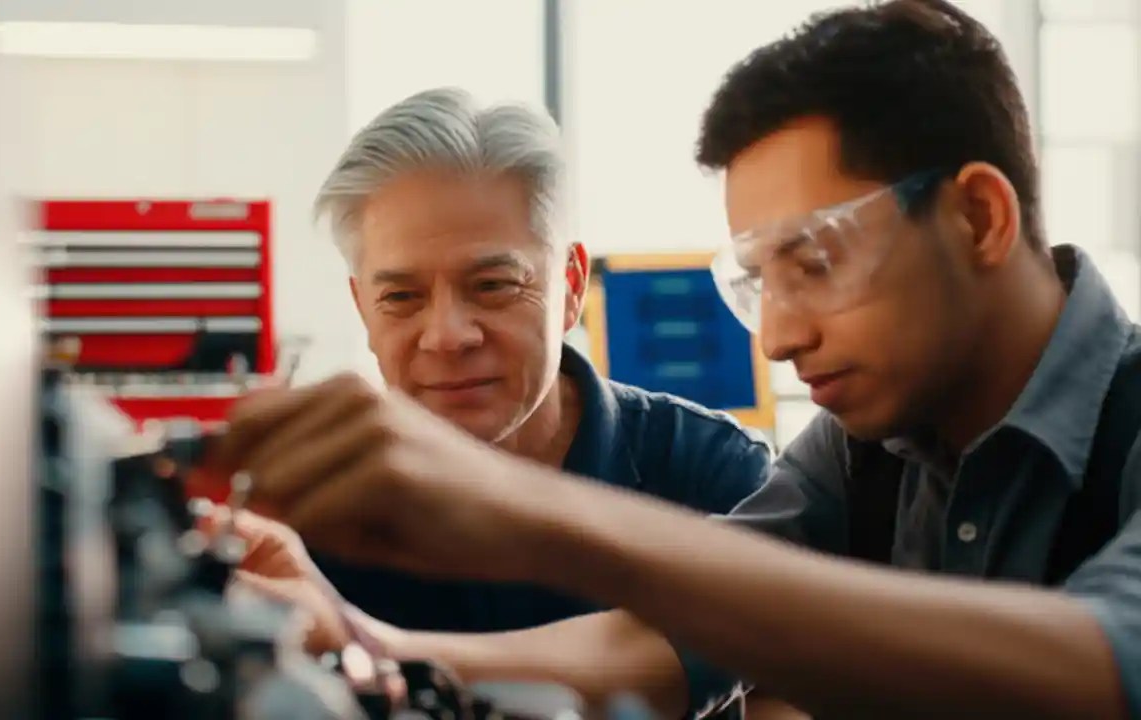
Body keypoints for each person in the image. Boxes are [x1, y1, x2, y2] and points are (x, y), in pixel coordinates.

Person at [217, 1, 1141, 717]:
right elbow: (658, 649)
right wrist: (348, 637)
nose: (776, 337)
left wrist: (517, 510)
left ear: (978, 217)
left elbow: (1102, 665)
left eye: (815, 263)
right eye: (759, 283)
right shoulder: (860, 453)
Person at [291, 86, 770, 636]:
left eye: (492, 286)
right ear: (362, 308)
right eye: (401, 298)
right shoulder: (317, 518)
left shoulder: (708, 474)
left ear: (570, 285)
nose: (447, 337)